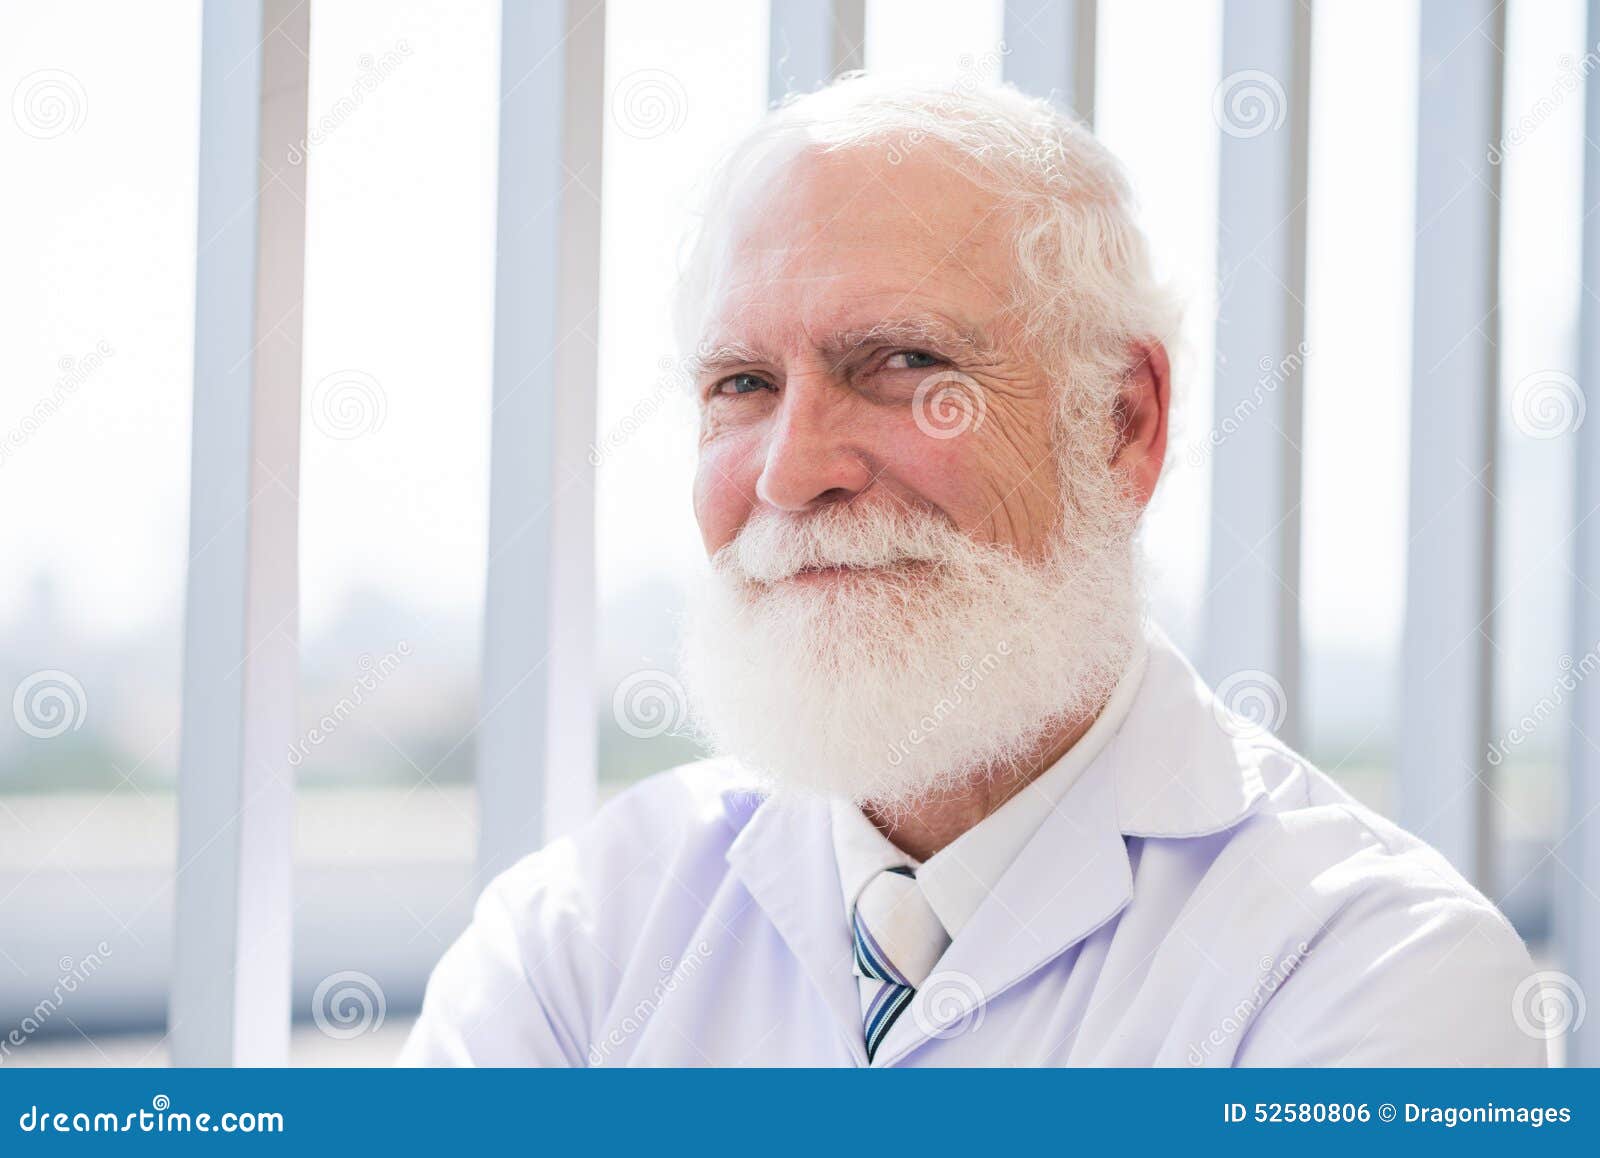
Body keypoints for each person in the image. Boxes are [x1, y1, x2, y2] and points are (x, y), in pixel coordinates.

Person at [400, 76, 1544, 1067]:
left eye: (902, 363)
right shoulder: (578, 940)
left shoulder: (1372, 969)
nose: (793, 473)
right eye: (741, 384)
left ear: (1119, 424)